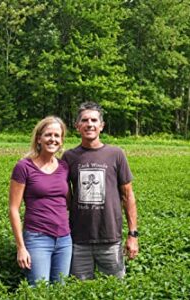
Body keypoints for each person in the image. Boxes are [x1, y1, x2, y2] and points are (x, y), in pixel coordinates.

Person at [62, 102, 139, 280]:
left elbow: (128, 196)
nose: (90, 124)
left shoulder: (116, 154)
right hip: (78, 240)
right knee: (80, 291)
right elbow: (65, 197)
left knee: (114, 290)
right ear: (77, 126)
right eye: (85, 120)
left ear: (101, 126)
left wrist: (133, 234)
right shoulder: (69, 157)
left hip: (110, 239)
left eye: (94, 120)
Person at [9, 116, 72, 286]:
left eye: (57, 136)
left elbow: (68, 202)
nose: (53, 139)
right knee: (38, 289)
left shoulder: (64, 167)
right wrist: (21, 247)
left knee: (61, 289)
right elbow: (13, 209)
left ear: (62, 140)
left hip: (64, 239)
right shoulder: (24, 167)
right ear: (39, 138)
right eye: (48, 135)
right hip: (38, 239)